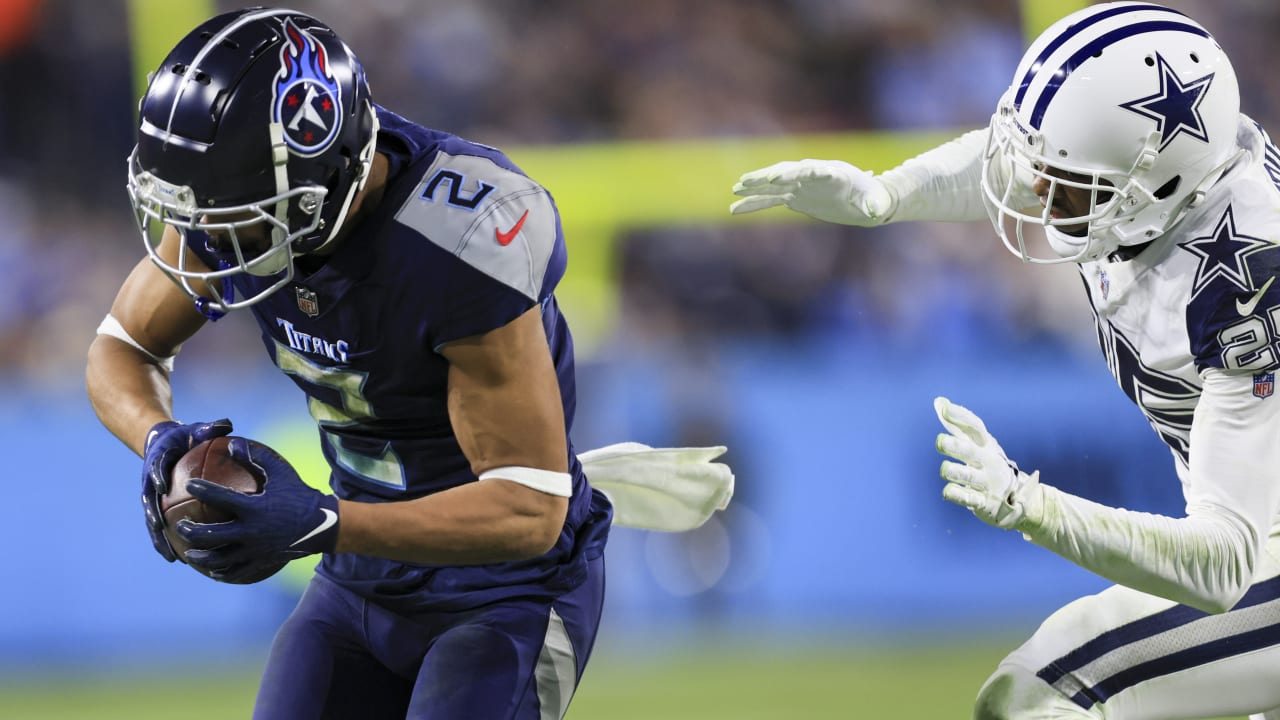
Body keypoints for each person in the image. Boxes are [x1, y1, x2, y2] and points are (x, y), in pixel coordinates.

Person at [85, 8, 732, 719]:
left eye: (235, 212)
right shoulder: (236, 212)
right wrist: (156, 436)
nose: (209, 238)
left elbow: (529, 507)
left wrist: (326, 522)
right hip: (358, 578)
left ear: (317, 172)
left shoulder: (460, 237)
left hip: (505, 592)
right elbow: (123, 345)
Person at [731, 2, 1280, 718]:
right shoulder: (1168, 180)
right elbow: (1017, 160)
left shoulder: (1245, 279)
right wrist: (886, 195)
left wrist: (1030, 504)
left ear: (1158, 186)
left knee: (1043, 690)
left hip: (1253, 548)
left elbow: (1225, 563)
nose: (1041, 193)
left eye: (1067, 179)